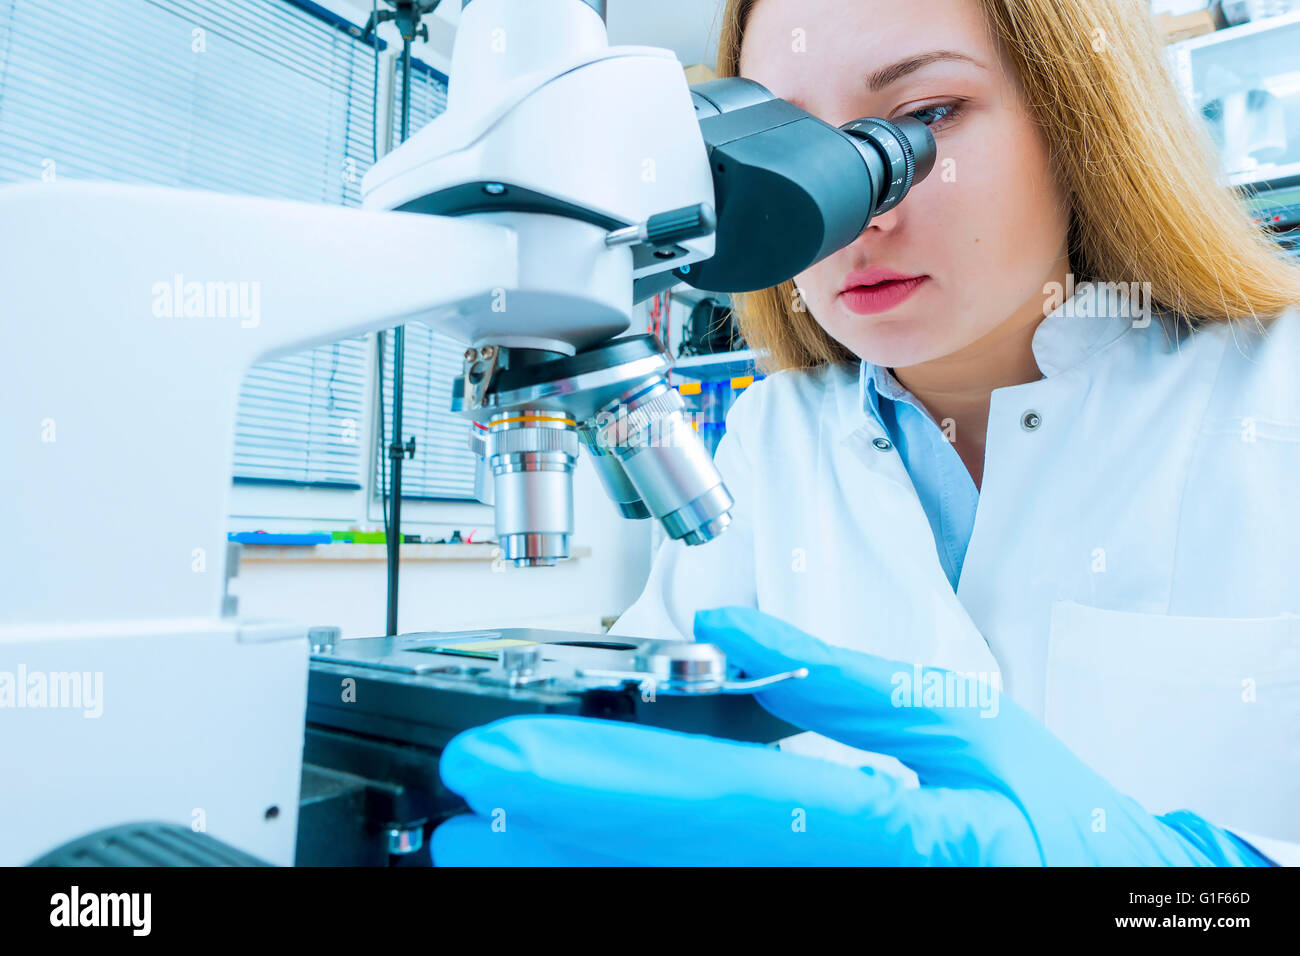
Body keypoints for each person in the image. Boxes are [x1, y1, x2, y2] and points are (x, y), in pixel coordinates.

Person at [433, 0, 1300, 865]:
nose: (852, 211)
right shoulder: (772, 438)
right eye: (786, 142)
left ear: (1079, 120)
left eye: (924, 118)